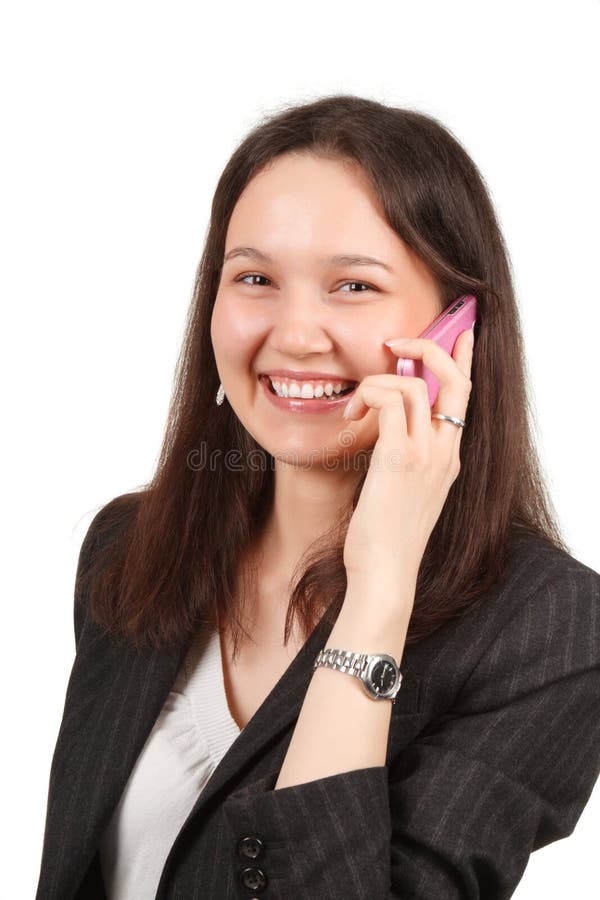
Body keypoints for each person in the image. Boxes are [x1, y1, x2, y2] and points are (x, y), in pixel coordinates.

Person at [36, 94, 600, 900]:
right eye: (255, 278)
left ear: (458, 328)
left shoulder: (551, 632)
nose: (296, 334)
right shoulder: (129, 546)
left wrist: (380, 588)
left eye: (354, 286)